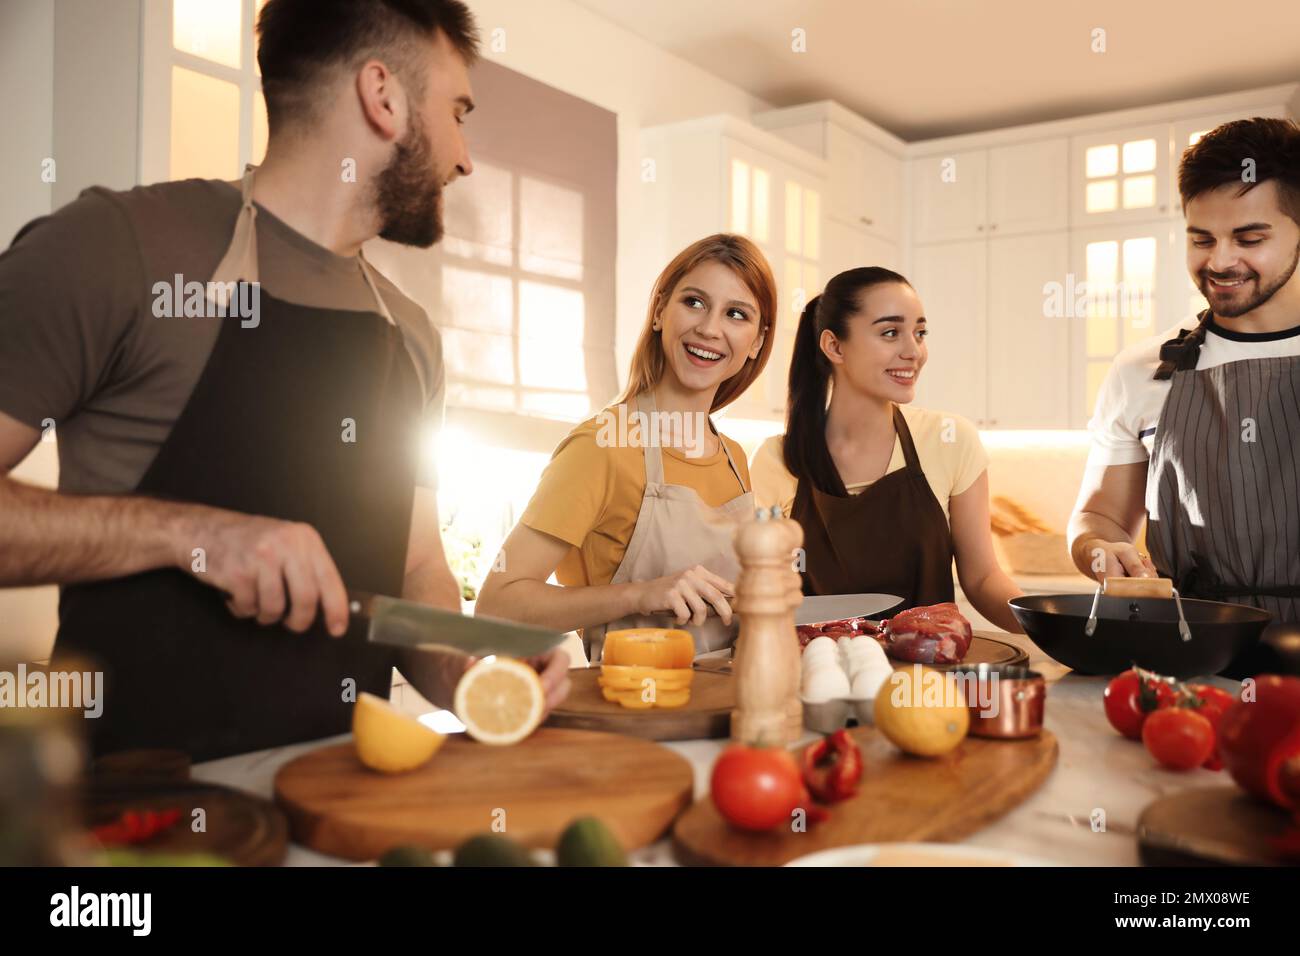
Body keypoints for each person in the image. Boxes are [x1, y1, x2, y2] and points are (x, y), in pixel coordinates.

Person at [0, 0, 567, 761]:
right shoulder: (114, 249)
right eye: (458, 112)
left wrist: (466, 662)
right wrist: (190, 535)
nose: (466, 157)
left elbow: (415, 566)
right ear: (384, 97)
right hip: (134, 818)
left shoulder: (410, 335)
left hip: (340, 804)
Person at [476, 234, 777, 660]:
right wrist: (642, 595)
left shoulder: (733, 457)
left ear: (758, 342)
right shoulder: (601, 447)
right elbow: (495, 609)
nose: (710, 328)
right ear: (659, 312)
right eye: (693, 302)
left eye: (736, 314)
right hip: (633, 711)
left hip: (732, 707)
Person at [1069, 118, 1300, 651]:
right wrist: (1102, 553)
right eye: (1202, 239)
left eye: (1249, 238)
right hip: (1186, 659)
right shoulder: (1142, 370)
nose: (1219, 261)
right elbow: (1099, 516)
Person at [750, 267, 1024, 632]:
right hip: (811, 676)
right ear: (834, 346)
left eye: (920, 333)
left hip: (924, 680)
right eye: (890, 333)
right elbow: (761, 587)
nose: (914, 351)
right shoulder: (776, 460)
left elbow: (982, 578)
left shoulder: (950, 440)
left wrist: (1048, 625)